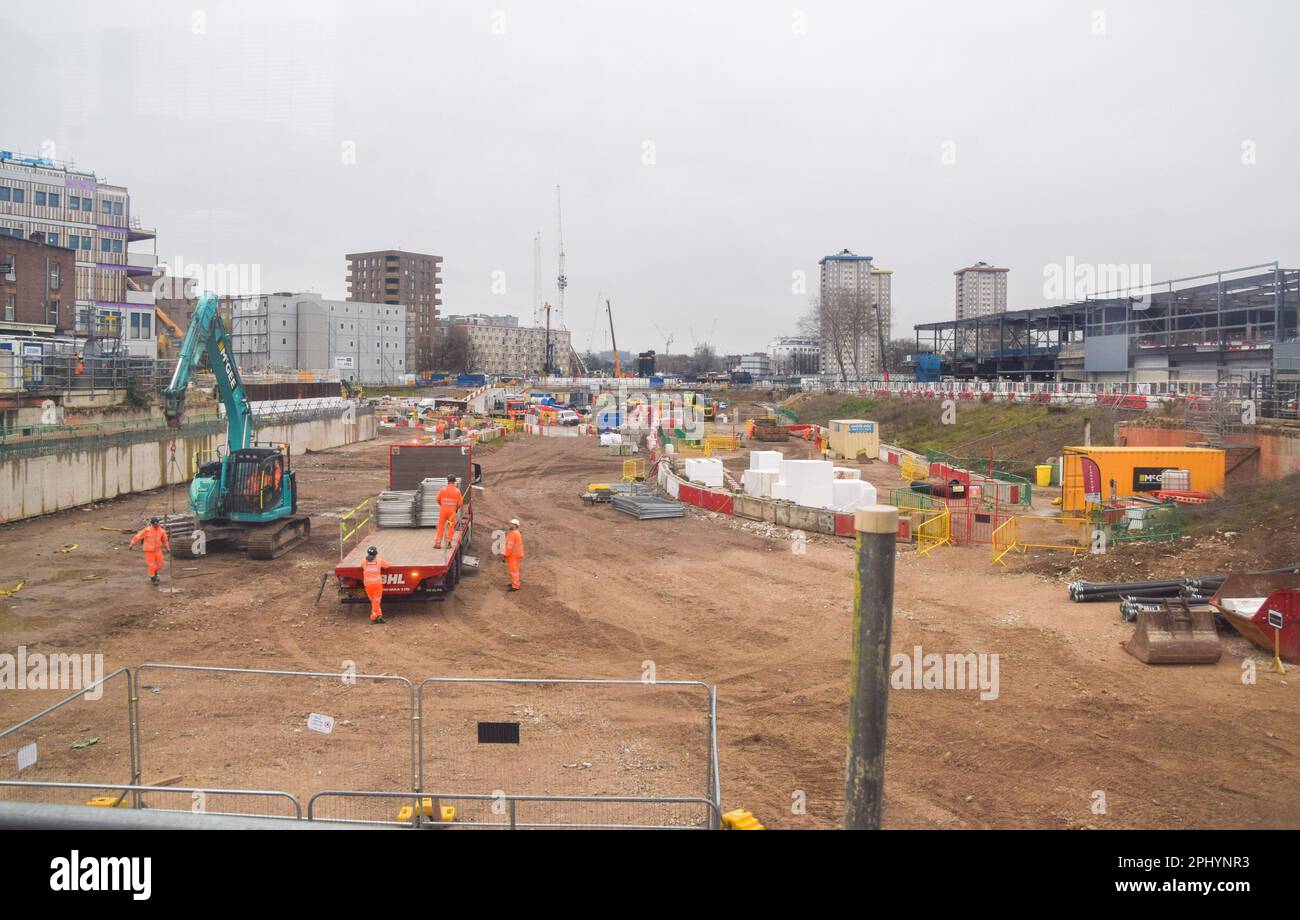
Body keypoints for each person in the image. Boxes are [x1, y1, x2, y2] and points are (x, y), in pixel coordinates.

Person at [130, 517, 170, 585]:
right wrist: (132, 543)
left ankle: (155, 574)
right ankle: (153, 579)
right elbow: (138, 536)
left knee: (160, 564)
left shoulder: (162, 531)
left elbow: (165, 540)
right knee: (151, 565)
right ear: (152, 524)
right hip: (149, 551)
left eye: (157, 524)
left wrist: (167, 548)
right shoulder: (147, 530)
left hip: (158, 550)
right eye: (154, 524)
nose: (156, 525)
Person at [361, 545, 388, 624]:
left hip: (368, 585)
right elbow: (387, 565)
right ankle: (374, 618)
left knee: (374, 601)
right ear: (376, 554)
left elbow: (361, 566)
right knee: (376, 601)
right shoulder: (379, 561)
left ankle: (379, 616)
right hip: (377, 584)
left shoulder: (364, 562)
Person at [434, 477, 463, 549]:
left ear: (448, 481)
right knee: (450, 526)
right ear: (454, 482)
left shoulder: (443, 489)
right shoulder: (457, 491)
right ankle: (448, 542)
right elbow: (460, 503)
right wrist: (456, 508)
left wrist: (442, 505)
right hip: (452, 512)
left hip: (443, 511)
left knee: (441, 525)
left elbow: (437, 499)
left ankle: (438, 543)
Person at [503, 518, 524, 592]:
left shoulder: (513, 534)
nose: (510, 525)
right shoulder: (516, 533)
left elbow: (509, 547)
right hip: (516, 555)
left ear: (515, 526)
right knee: (515, 570)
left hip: (512, 555)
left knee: (514, 571)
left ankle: (515, 586)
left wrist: (505, 555)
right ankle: (514, 583)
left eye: (511, 524)